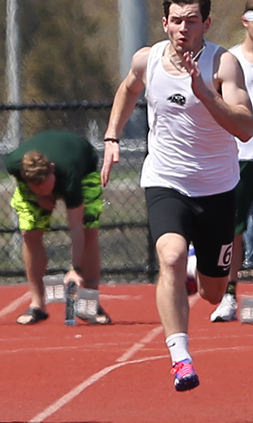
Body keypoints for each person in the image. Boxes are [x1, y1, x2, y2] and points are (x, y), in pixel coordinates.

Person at [102, 0, 253, 391]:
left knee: (212, 291)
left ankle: (193, 267)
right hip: (166, 180)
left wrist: (205, 93)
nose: (183, 28)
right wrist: (112, 137)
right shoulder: (147, 60)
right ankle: (180, 357)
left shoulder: (223, 65)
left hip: (217, 188)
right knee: (167, 256)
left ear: (206, 23)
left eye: (192, 21)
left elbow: (245, 127)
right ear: (164, 22)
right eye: (176, 20)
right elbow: (127, 89)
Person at [4, 131, 111, 325]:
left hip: (84, 168)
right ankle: (37, 304)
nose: (47, 192)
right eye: (39, 188)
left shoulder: (70, 174)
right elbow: (28, 185)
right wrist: (40, 196)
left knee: (89, 230)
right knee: (29, 231)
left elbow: (75, 227)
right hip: (37, 178)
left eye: (47, 187)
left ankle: (90, 304)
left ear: (52, 169)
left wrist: (75, 269)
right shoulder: (13, 164)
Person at [208, 2, 253, 322]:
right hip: (239, 157)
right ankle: (229, 295)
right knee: (233, 230)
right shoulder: (231, 59)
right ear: (245, 21)